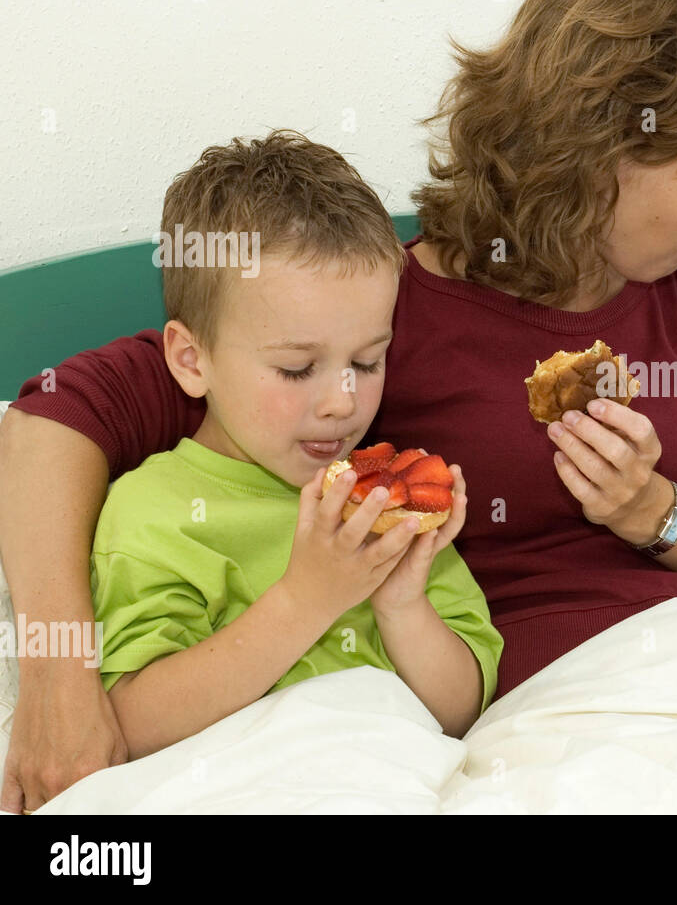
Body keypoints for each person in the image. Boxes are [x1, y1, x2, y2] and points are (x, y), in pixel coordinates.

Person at [0, 0, 677, 811]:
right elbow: (54, 416)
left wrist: (657, 515)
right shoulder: (368, 325)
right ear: (597, 158)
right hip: (574, 725)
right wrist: (59, 680)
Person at [93, 131, 502, 761]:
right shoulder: (154, 511)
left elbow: (460, 712)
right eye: (294, 369)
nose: (342, 401)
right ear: (191, 360)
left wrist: (402, 605)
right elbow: (134, 726)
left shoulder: (384, 497)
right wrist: (306, 599)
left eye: (367, 362)